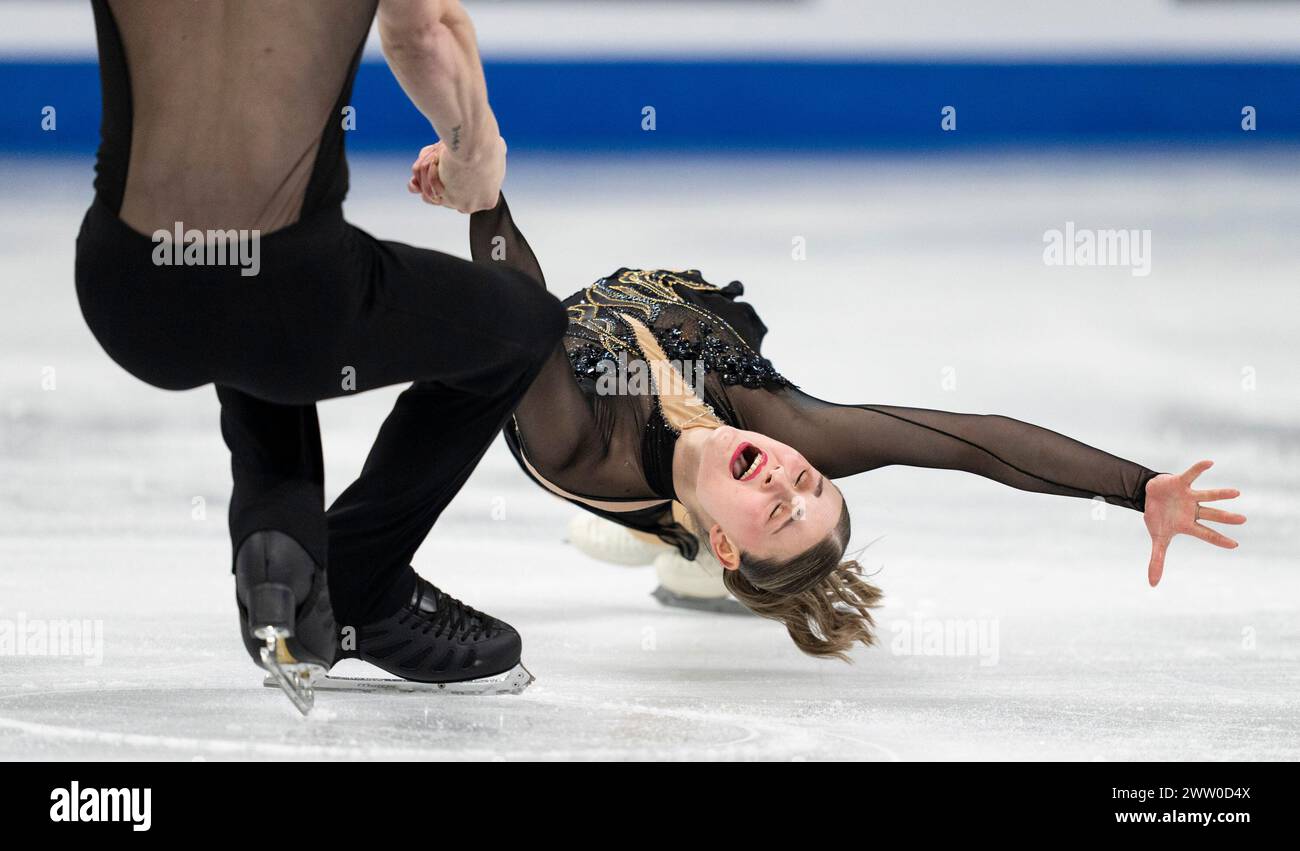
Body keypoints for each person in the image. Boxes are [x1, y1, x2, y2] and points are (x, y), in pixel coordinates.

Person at [407, 146, 1247, 661]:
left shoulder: (579, 444)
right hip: (680, 326)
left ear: (738, 541)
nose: (788, 481)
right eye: (809, 486)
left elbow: (518, 314)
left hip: (583, 388)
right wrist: (1139, 485)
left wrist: (483, 193)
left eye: (779, 511)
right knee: (698, 508)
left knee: (642, 511)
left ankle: (669, 541)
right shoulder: (786, 432)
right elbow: (971, 443)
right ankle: (678, 543)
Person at [74, 0, 565, 713]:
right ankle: (359, 580)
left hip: (125, 287)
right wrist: (473, 159)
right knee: (523, 326)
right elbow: (425, 31)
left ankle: (281, 537)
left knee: (255, 306)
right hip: (294, 297)